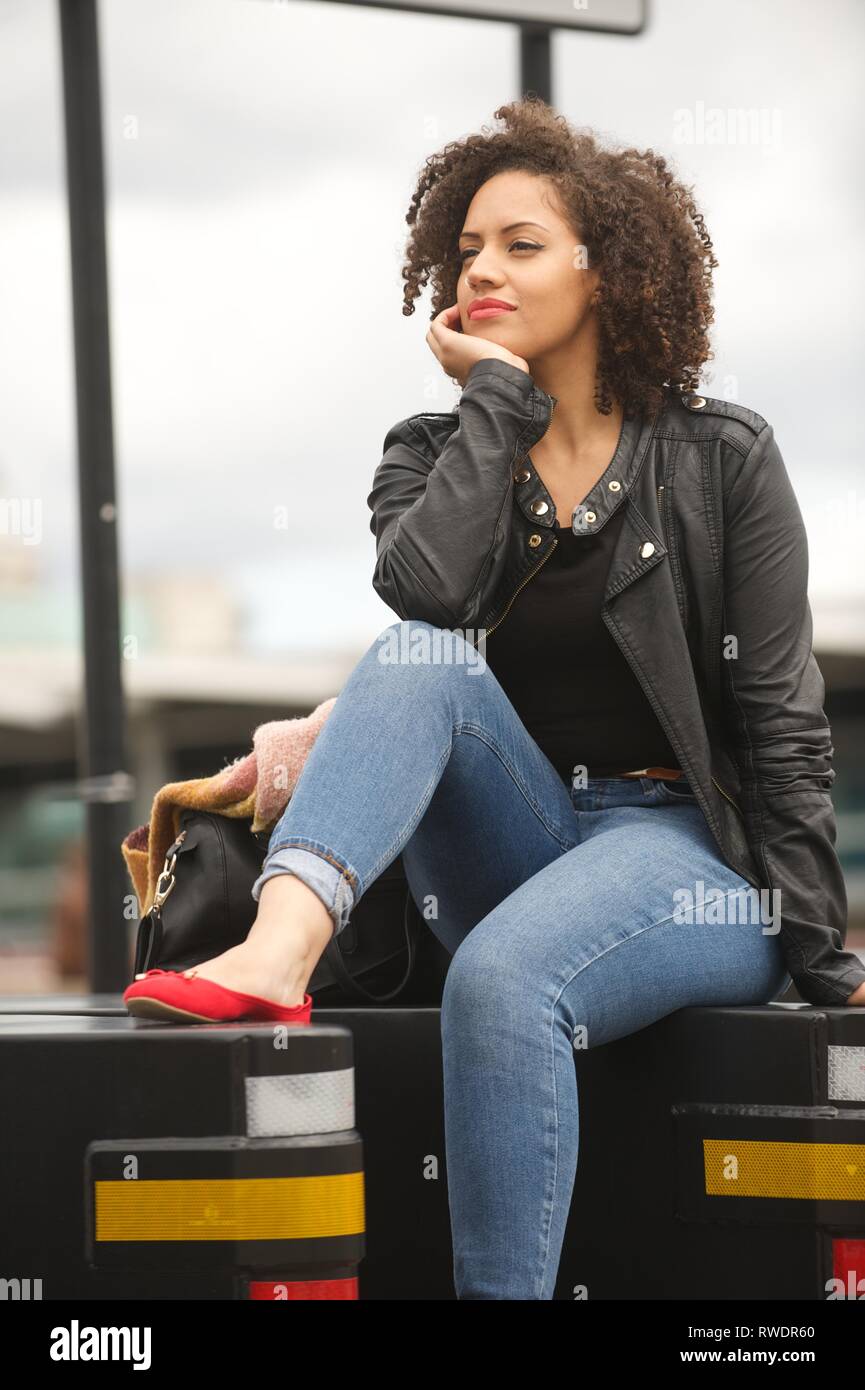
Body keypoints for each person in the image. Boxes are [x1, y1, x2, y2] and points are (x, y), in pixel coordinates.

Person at [124, 97, 865, 1299]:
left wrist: (821, 957)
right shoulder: (434, 448)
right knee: (423, 663)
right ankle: (278, 944)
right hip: (517, 841)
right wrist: (501, 405)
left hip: (689, 863)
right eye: (466, 248)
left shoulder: (721, 457)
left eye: (519, 244)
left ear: (607, 267)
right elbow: (423, 596)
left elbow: (781, 718)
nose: (480, 268)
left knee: (507, 975)